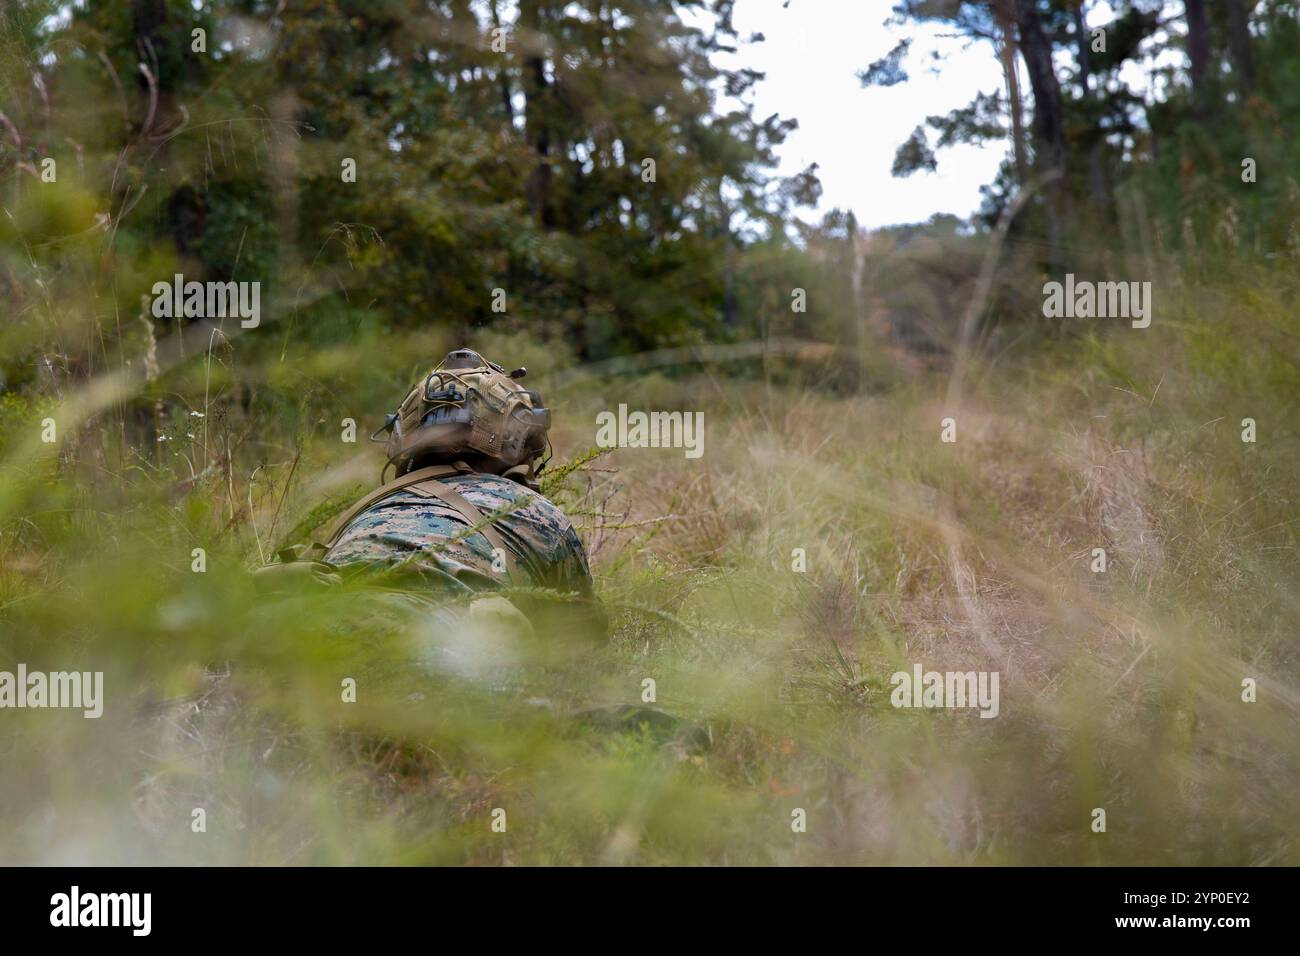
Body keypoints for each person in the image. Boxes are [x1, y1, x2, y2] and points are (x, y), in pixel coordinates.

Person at [316, 348, 603, 637]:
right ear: (521, 441)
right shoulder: (538, 514)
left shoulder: (370, 512)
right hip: (444, 649)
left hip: (319, 633)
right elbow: (581, 647)